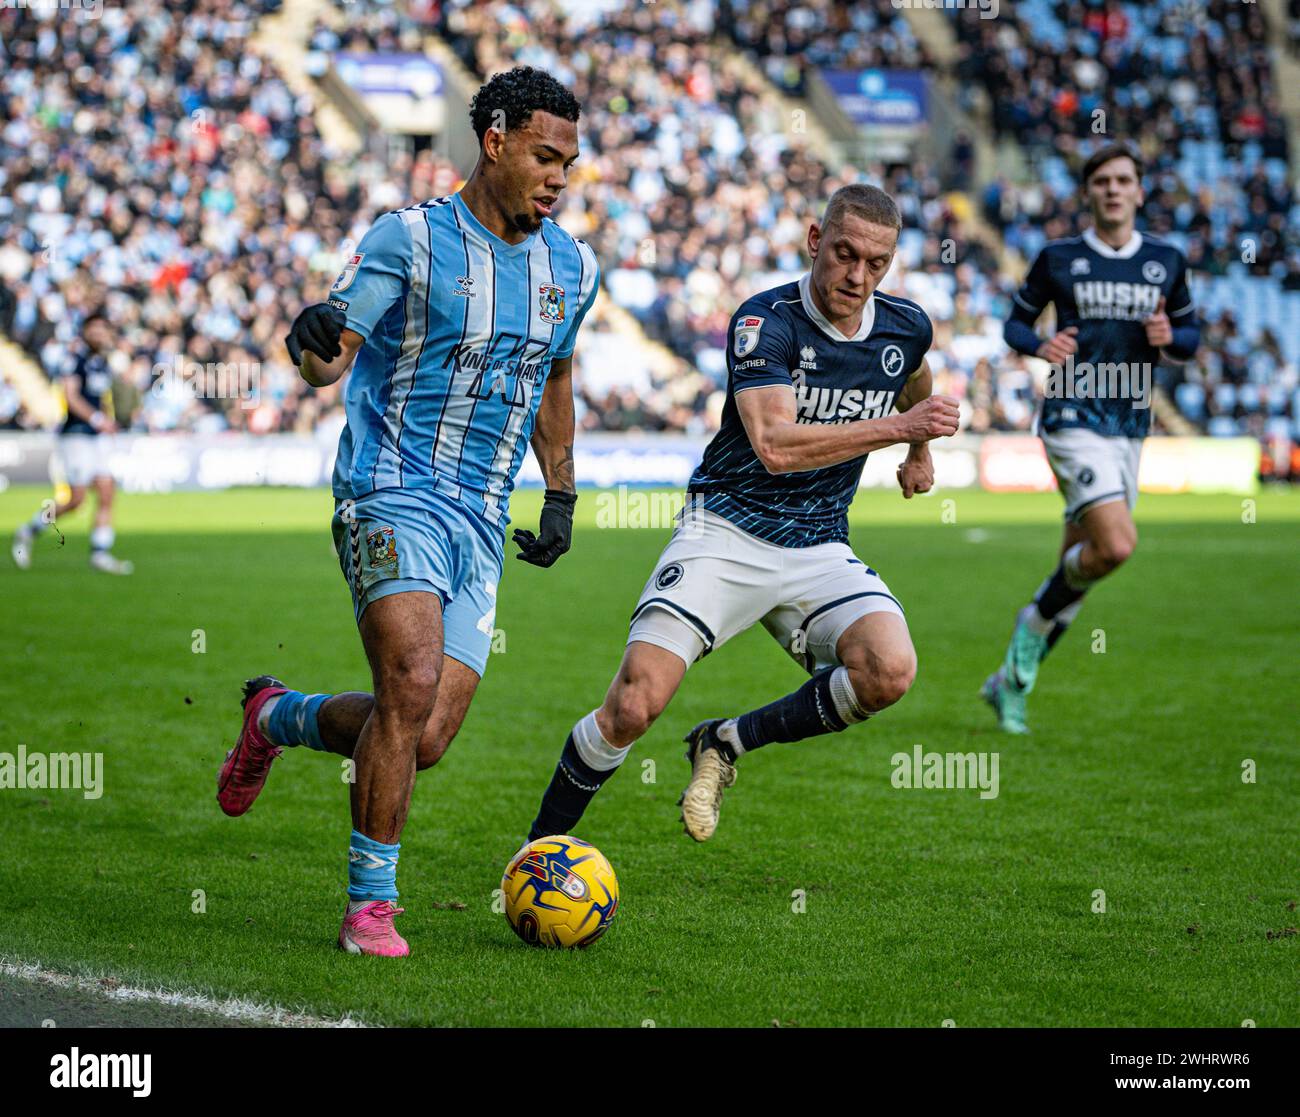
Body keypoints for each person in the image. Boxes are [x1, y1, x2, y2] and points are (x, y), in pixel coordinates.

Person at [215, 67, 600, 956]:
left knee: (422, 735)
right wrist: (308, 345)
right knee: (410, 681)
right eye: (545, 156)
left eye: (570, 164)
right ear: (494, 141)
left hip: (481, 516)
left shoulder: (571, 266)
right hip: (391, 490)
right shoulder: (409, 239)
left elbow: (558, 377)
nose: (558, 178)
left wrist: (565, 491)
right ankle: (370, 907)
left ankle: (276, 717)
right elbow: (329, 355)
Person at [522, 183, 960, 845]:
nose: (858, 275)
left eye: (877, 264)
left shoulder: (905, 326)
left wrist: (918, 452)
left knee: (889, 669)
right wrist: (898, 428)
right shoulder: (766, 321)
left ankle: (725, 742)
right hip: (724, 529)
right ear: (816, 241)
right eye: (845, 254)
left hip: (818, 544)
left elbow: (915, 375)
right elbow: (777, 446)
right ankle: (537, 851)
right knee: (634, 703)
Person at [983, 144, 1201, 733]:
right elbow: (1014, 323)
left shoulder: (1165, 260)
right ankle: (1027, 634)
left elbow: (1190, 336)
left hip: (1131, 423)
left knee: (1079, 572)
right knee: (1116, 547)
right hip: (1072, 417)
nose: (1112, 189)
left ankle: (1010, 684)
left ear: (1139, 191)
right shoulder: (1058, 257)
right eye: (1101, 180)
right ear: (1089, 192)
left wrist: (1169, 335)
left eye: (1123, 180)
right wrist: (1038, 346)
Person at [12, 311, 133, 575]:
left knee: (106, 490)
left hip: (96, 437)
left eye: (104, 329)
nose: (100, 334)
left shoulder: (101, 362)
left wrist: (107, 422)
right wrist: (99, 419)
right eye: (95, 329)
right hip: (76, 435)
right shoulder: (74, 359)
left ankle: (100, 553)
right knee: (76, 499)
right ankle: (29, 530)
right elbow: (71, 396)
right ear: (86, 331)